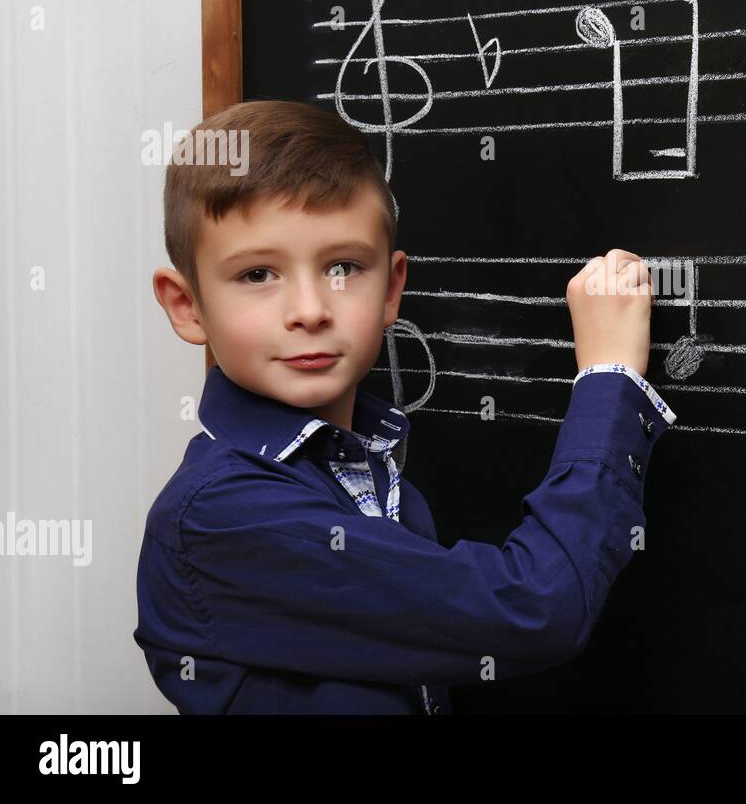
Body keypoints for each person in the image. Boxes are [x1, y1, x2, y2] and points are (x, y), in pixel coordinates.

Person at [136, 100, 676, 713]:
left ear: (392, 286)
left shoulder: (378, 481)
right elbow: (532, 609)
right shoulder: (224, 518)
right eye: (258, 275)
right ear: (187, 305)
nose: (310, 309)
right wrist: (609, 379)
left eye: (344, 267)